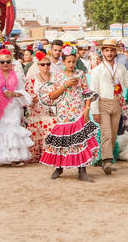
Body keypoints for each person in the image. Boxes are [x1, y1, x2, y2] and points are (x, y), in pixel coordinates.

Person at [38, 45, 100, 181]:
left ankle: (82, 171)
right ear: (63, 61)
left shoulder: (81, 74)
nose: (71, 64)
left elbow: (87, 93)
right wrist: (65, 85)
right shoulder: (58, 76)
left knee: (81, 141)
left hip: (78, 111)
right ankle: (59, 168)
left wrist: (87, 109)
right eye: (68, 62)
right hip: (63, 113)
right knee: (62, 142)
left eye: (73, 61)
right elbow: (52, 95)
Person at [88, 39, 128, 175]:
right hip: (103, 102)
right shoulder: (97, 70)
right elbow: (94, 92)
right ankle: (106, 161)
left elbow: (127, 83)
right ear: (102, 52)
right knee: (106, 133)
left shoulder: (120, 68)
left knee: (113, 133)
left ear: (116, 52)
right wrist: (95, 111)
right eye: (107, 50)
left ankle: (108, 158)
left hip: (117, 103)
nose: (109, 53)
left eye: (112, 50)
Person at [0, 48, 34, 166]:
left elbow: (23, 91)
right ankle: (0, 157)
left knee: (13, 129)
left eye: (8, 62)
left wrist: (14, 94)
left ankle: (15, 157)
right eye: (2, 62)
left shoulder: (17, 76)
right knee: (0, 129)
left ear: (11, 63)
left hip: (13, 106)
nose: (5, 64)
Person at [22, 50, 56, 161]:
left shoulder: (55, 78)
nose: (46, 67)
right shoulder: (32, 80)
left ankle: (50, 156)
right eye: (43, 64)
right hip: (37, 112)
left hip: (52, 112)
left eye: (48, 64)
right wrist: (37, 98)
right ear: (38, 65)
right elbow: (28, 98)